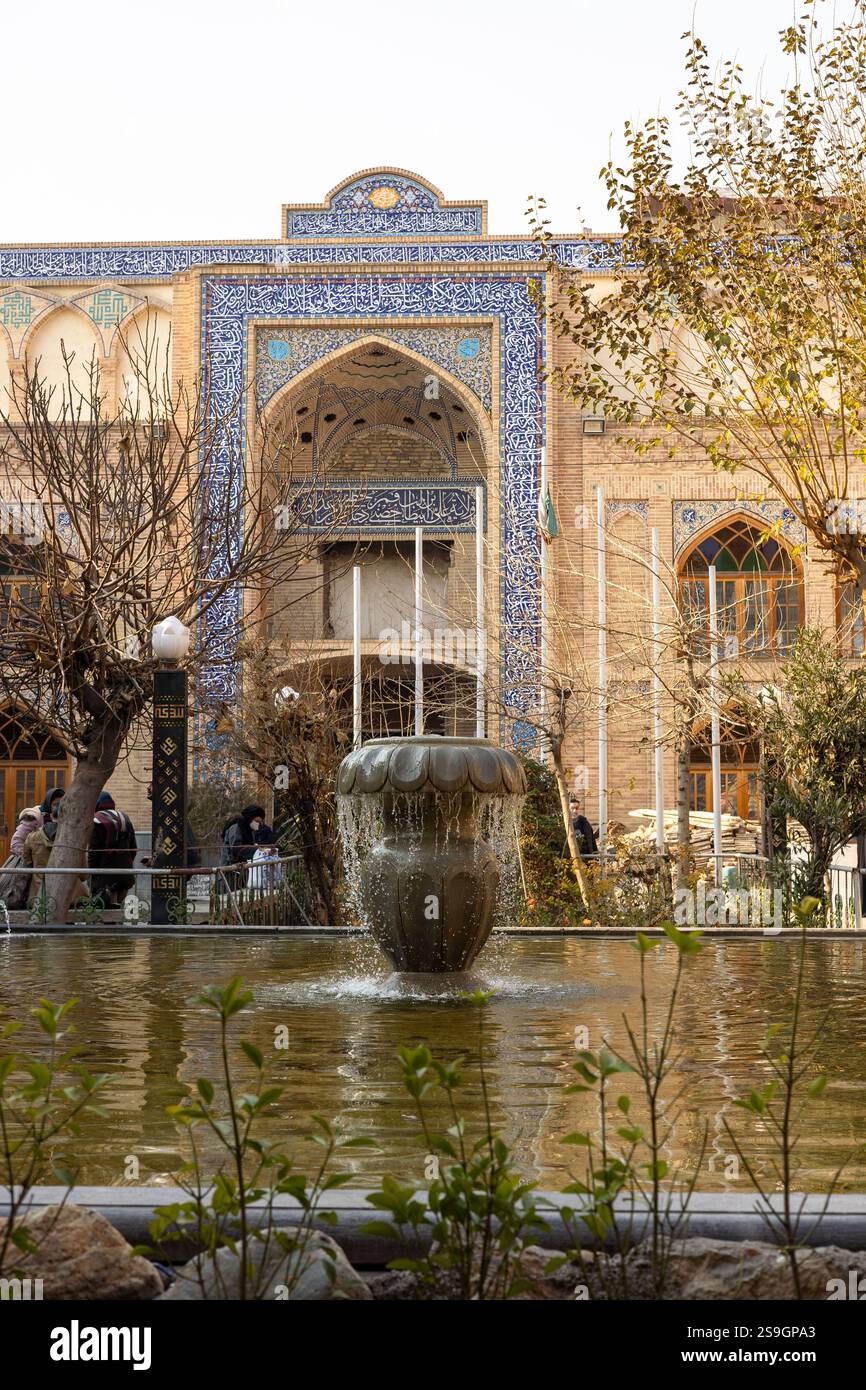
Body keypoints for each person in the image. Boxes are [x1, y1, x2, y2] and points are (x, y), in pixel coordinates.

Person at [22, 796, 86, 908]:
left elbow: (27, 863)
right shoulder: (74, 839)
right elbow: (83, 872)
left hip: (40, 894)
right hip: (70, 895)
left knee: (40, 922)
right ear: (66, 816)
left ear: (51, 816)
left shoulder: (32, 837)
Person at [90, 791, 137, 907]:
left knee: (105, 912)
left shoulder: (96, 820)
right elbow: (133, 849)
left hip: (104, 877)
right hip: (125, 874)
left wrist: (91, 872)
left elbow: (94, 852)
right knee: (118, 910)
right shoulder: (124, 818)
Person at [144, 781, 201, 868]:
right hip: (180, 864)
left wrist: (156, 861)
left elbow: (171, 843)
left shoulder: (172, 814)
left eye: (152, 785)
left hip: (181, 867)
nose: (148, 788)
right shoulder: (167, 813)